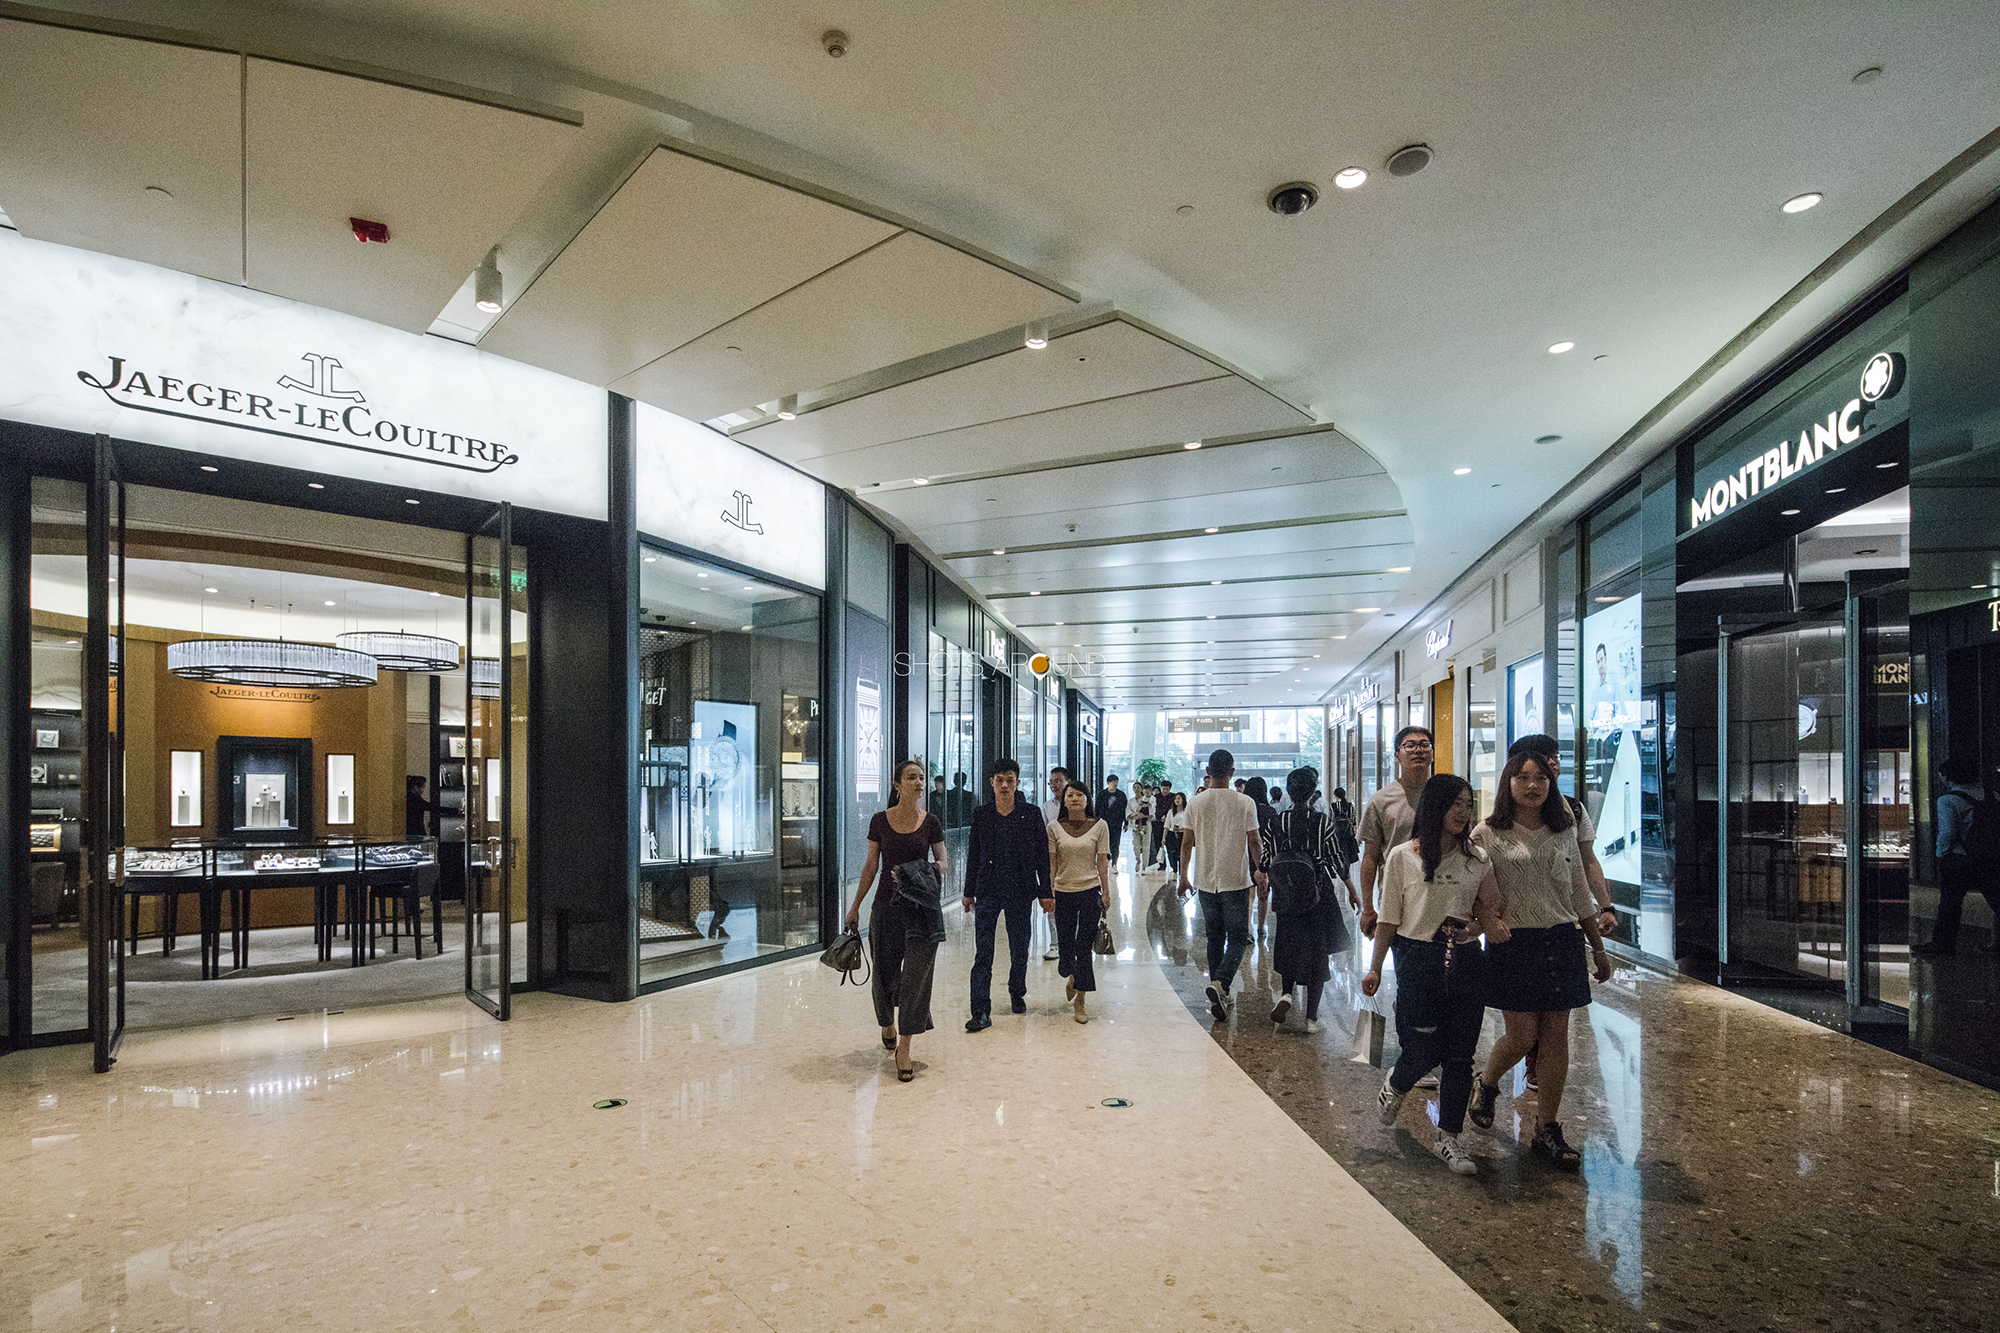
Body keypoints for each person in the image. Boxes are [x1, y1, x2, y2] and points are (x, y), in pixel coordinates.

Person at [1467, 750, 1614, 1170]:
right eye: (1523, 777)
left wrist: (1597, 947)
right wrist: (1486, 921)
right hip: (1513, 942)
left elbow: (1577, 892)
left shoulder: (1564, 829)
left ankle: (1547, 1127)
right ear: (1508, 783)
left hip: (1561, 939)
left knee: (1555, 1037)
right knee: (1521, 1036)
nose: (1533, 786)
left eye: (1541, 778)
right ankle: (1487, 1082)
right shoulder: (1486, 833)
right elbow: (1472, 890)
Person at [1362, 774, 1510, 1175]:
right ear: (1435, 806)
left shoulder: (1476, 858)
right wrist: (1375, 967)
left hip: (1465, 960)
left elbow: (1491, 907)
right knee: (1423, 1050)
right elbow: (1389, 919)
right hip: (1417, 959)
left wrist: (1478, 927)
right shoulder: (1402, 858)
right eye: (1455, 804)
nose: (1463, 812)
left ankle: (1450, 1138)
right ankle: (1397, 1083)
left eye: (1468, 805)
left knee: (1460, 1055)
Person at [1507, 733, 1619, 1094]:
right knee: (1525, 1022)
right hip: (1519, 931)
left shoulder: (1573, 810)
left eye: (1553, 757)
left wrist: (1605, 906)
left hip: (1563, 924)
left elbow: (1587, 862)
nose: (1552, 763)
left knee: (1556, 1017)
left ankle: (1543, 1081)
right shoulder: (1501, 819)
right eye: (1541, 759)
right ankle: (1522, 1066)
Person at [844, 759, 947, 1083]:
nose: (919, 783)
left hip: (922, 911)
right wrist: (855, 907)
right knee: (884, 975)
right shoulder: (880, 821)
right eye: (911, 777)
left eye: (921, 778)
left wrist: (920, 870)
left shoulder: (930, 822)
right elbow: (870, 866)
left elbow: (943, 862)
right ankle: (886, 1021)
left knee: (916, 981)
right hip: (887, 908)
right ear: (897, 785)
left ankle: (905, 1047)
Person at [1267, 765, 1359, 1034]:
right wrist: (1352, 891)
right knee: (1317, 952)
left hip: (1286, 894)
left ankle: (1286, 994)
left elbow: (1265, 860)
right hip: (1317, 893)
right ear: (1312, 792)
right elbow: (1338, 862)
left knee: (1289, 944)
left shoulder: (1276, 822)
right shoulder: (1322, 822)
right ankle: (1311, 1019)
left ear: (1289, 791)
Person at [963, 757, 1053, 1030]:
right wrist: (968, 892)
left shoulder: (1031, 814)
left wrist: (1045, 891)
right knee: (983, 952)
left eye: (1009, 781)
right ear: (991, 783)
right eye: (999, 780)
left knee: (1019, 948)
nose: (1004, 785)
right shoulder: (982, 814)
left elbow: (1042, 856)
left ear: (1017, 783)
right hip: (988, 891)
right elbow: (974, 854)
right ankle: (980, 1010)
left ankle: (1017, 991)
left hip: (1020, 890)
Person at [1178, 748, 1266, 1020]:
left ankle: (1220, 993)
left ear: (1208, 772)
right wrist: (1261, 871)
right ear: (1232, 772)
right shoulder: (1245, 802)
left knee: (1215, 937)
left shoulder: (1196, 803)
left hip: (1205, 881)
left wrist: (1183, 876)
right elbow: (1254, 841)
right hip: (1235, 880)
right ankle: (1222, 983)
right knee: (1238, 937)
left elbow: (1186, 843)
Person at [1357, 727, 1434, 939]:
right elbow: (1370, 857)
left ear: (1432, 754)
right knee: (1402, 954)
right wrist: (1368, 908)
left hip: (1438, 892)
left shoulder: (1444, 795)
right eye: (1410, 745)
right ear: (1397, 755)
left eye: (1424, 745)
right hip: (1396, 895)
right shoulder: (1381, 800)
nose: (1418, 750)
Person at [1917, 758, 1998, 953]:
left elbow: (1948, 832)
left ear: (1948, 776)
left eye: (1941, 775)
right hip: (1989, 856)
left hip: (1959, 857)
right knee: (1996, 898)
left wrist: (1941, 853)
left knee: (1950, 902)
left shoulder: (1948, 800)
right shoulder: (1993, 796)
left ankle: (1943, 943)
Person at [1048, 782, 1111, 1023]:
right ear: (1063, 801)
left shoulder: (1100, 826)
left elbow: (1102, 861)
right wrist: (1050, 892)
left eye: (1079, 794)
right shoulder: (1054, 827)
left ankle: (1081, 1000)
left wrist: (1106, 892)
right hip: (1063, 892)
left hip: (1089, 892)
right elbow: (1052, 863)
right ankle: (1072, 977)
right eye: (1070, 795)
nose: (1074, 798)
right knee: (1066, 949)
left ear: (1087, 799)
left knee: (1083, 947)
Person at [1039, 766, 1071, 960]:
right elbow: (1043, 833)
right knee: (1052, 900)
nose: (1054, 785)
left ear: (1067, 782)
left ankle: (1073, 943)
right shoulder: (1046, 807)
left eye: (1058, 781)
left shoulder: (1076, 802)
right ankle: (1055, 944)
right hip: (1053, 859)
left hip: (1074, 859)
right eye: (1051, 782)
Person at [1245, 776, 1276, 934]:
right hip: (1265, 854)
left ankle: (1248, 929)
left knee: (1249, 892)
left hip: (1247, 854)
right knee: (1264, 892)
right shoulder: (1270, 811)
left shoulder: (1245, 809)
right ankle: (1261, 927)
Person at [1097, 774, 1129, 869]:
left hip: (1117, 823)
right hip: (1105, 823)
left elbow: (1125, 810)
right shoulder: (1102, 795)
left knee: (1115, 843)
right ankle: (1107, 861)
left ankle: (1114, 863)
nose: (1115, 784)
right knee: (1105, 843)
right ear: (1108, 783)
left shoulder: (1121, 795)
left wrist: (1126, 823)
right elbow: (1098, 809)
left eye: (1117, 782)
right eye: (1113, 782)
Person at [1150, 778, 1174, 869]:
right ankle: (1162, 864)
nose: (1165, 791)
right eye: (1163, 789)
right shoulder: (1156, 797)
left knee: (1170, 845)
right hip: (1158, 824)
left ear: (1170, 789)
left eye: (1167, 789)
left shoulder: (1173, 797)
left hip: (1169, 825)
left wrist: (1167, 816)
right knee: (1158, 844)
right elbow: (1154, 809)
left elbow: (1173, 808)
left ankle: (1173, 865)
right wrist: (1160, 816)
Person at [1163, 792, 1189, 875]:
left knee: (1181, 854)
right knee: (1171, 853)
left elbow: (1189, 825)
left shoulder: (1186, 812)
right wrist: (1163, 838)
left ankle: (1182, 872)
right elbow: (1166, 826)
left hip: (1182, 834)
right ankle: (1174, 869)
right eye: (1175, 799)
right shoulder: (1171, 812)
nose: (1177, 800)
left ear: (1183, 800)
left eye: (1179, 798)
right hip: (1171, 834)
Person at [1132, 785, 1154, 872]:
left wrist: (1147, 814)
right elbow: (1130, 813)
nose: (1136, 789)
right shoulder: (1133, 801)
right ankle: (1138, 859)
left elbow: (1153, 810)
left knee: (1146, 846)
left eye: (1138, 788)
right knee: (1136, 846)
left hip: (1146, 823)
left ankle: (1144, 866)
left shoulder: (1151, 799)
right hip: (1137, 823)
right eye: (1135, 788)